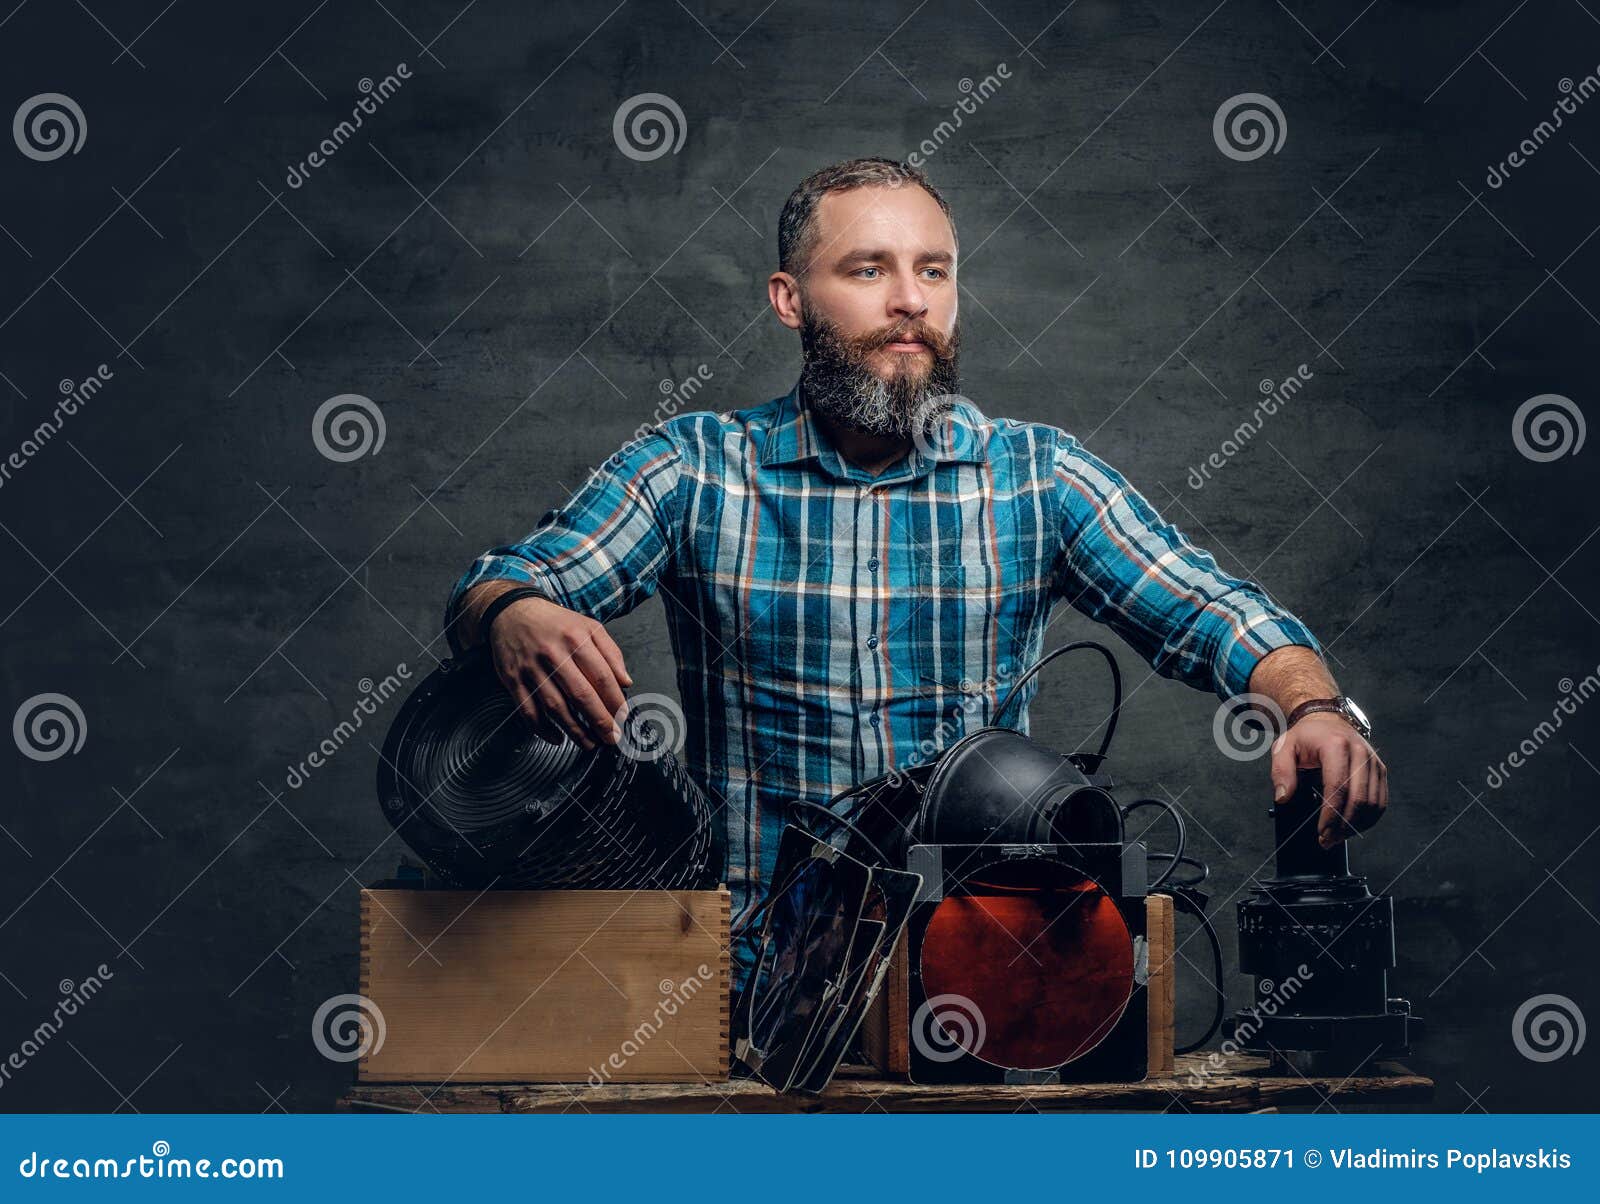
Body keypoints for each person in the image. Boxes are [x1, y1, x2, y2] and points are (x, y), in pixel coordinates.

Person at [442, 156, 1388, 971]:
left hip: (986, 977)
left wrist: (1310, 706)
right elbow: (515, 579)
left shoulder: (1035, 475)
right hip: (751, 982)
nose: (910, 300)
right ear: (789, 299)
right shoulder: (695, 468)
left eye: (933, 270)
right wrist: (510, 613)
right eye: (868, 269)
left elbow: (1208, 609)